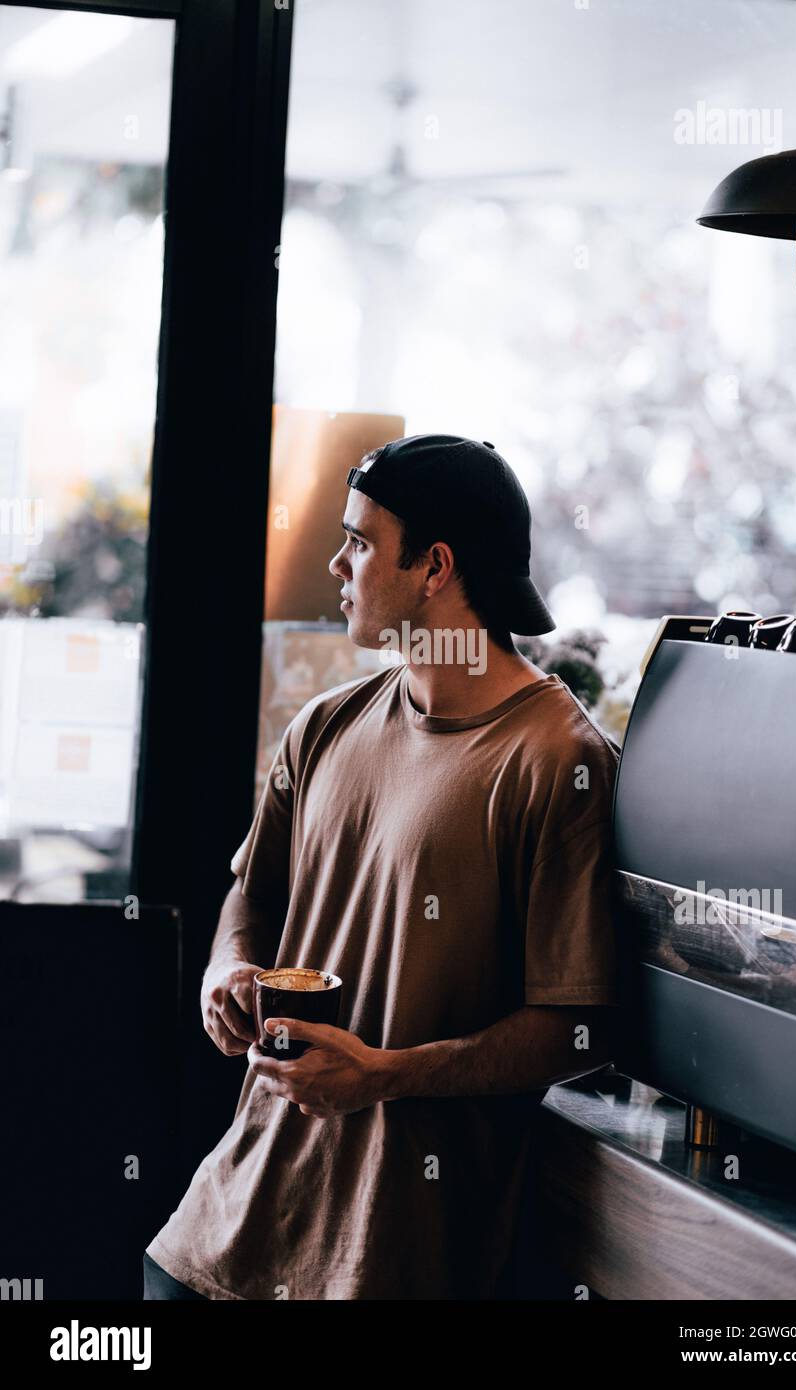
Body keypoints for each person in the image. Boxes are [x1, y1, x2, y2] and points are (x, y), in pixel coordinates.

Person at [144, 433, 619, 1300]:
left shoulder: (559, 761)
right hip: (217, 1235)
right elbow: (251, 895)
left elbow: (577, 1028)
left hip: (386, 1258)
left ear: (435, 567)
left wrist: (387, 1075)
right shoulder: (323, 725)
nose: (337, 563)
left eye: (360, 542)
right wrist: (228, 966)